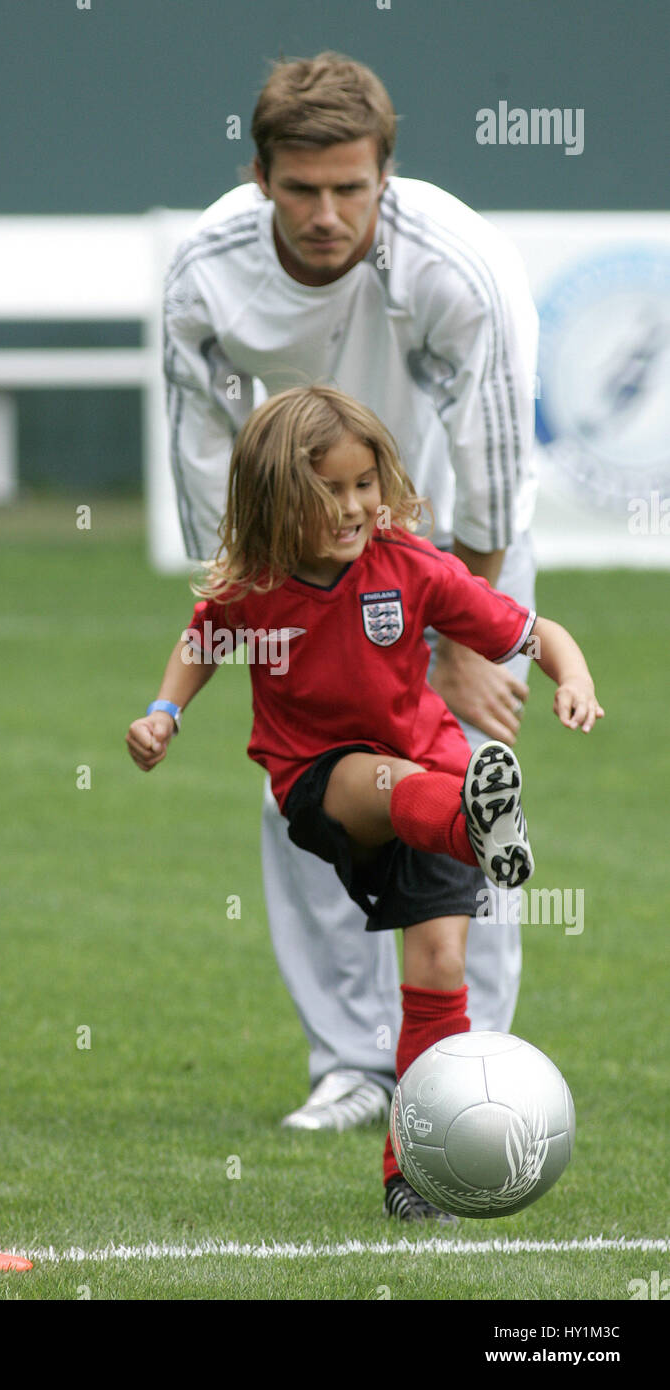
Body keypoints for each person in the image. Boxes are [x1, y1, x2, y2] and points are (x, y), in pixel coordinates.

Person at [164, 51, 541, 1130]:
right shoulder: (203, 273)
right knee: (304, 794)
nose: (325, 213)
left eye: (349, 188)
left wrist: (459, 633)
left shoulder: (455, 269)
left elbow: (494, 464)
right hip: (287, 562)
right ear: (257, 178)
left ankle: (467, 1067)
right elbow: (200, 451)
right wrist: (240, 608)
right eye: (298, 188)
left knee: (462, 789)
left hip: (452, 540)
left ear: (387, 176)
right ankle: (348, 1067)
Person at [127, 385, 603, 1221]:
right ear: (277, 498)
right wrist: (163, 715)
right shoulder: (257, 586)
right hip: (322, 782)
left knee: (440, 973)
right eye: (328, 492)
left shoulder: (409, 567)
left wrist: (574, 678)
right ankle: (476, 825)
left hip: (435, 773)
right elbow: (202, 639)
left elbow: (533, 632)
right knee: (381, 777)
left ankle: (413, 1176)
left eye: (363, 484)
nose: (352, 508)